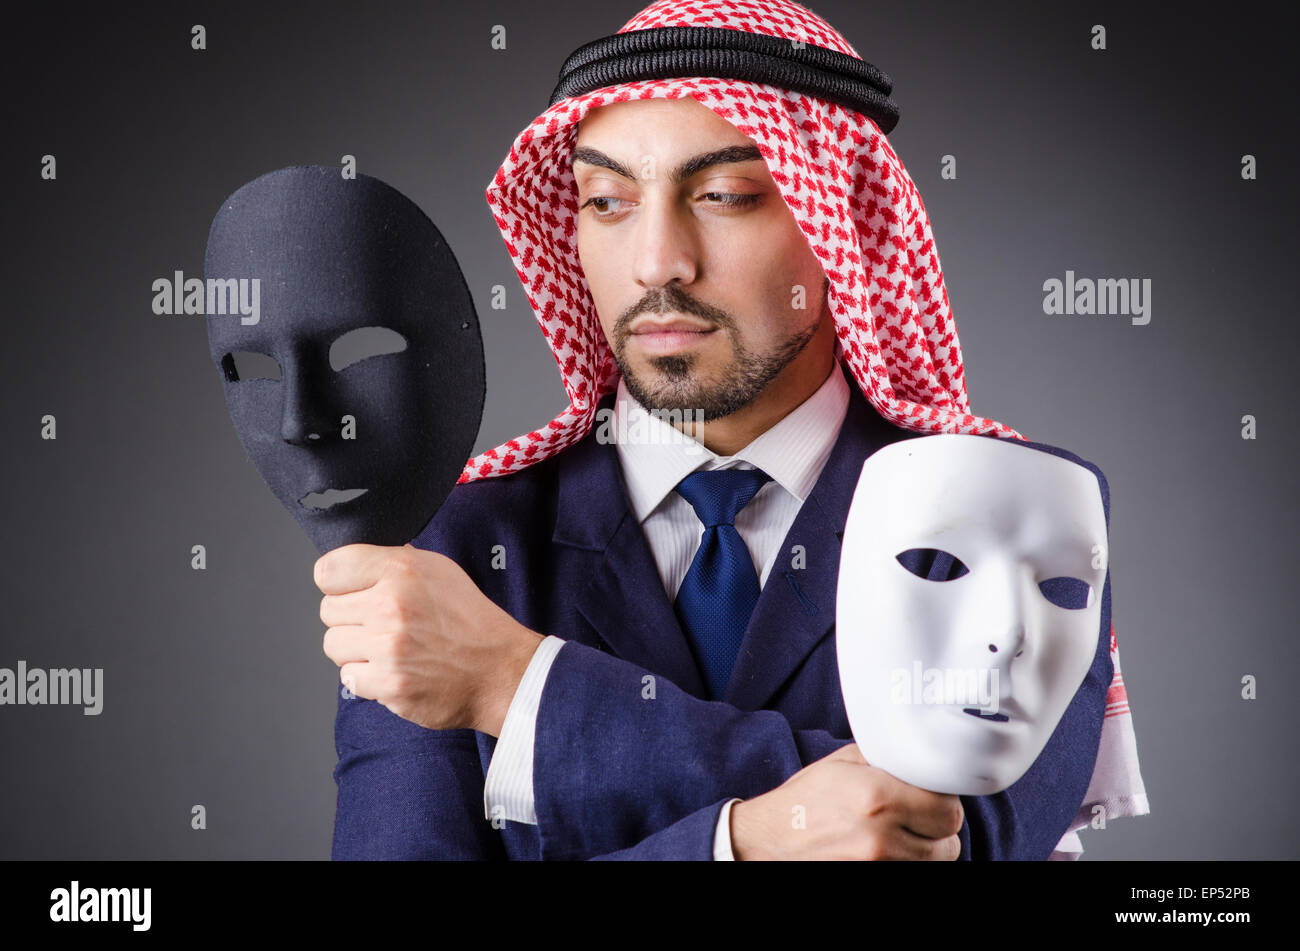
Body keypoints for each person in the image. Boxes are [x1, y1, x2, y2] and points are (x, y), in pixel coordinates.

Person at [320, 0, 1148, 860]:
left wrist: (516, 683)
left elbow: (959, 840)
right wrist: (748, 839)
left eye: (723, 195)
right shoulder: (455, 548)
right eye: (607, 201)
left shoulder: (1023, 507)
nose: (655, 261)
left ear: (847, 225)